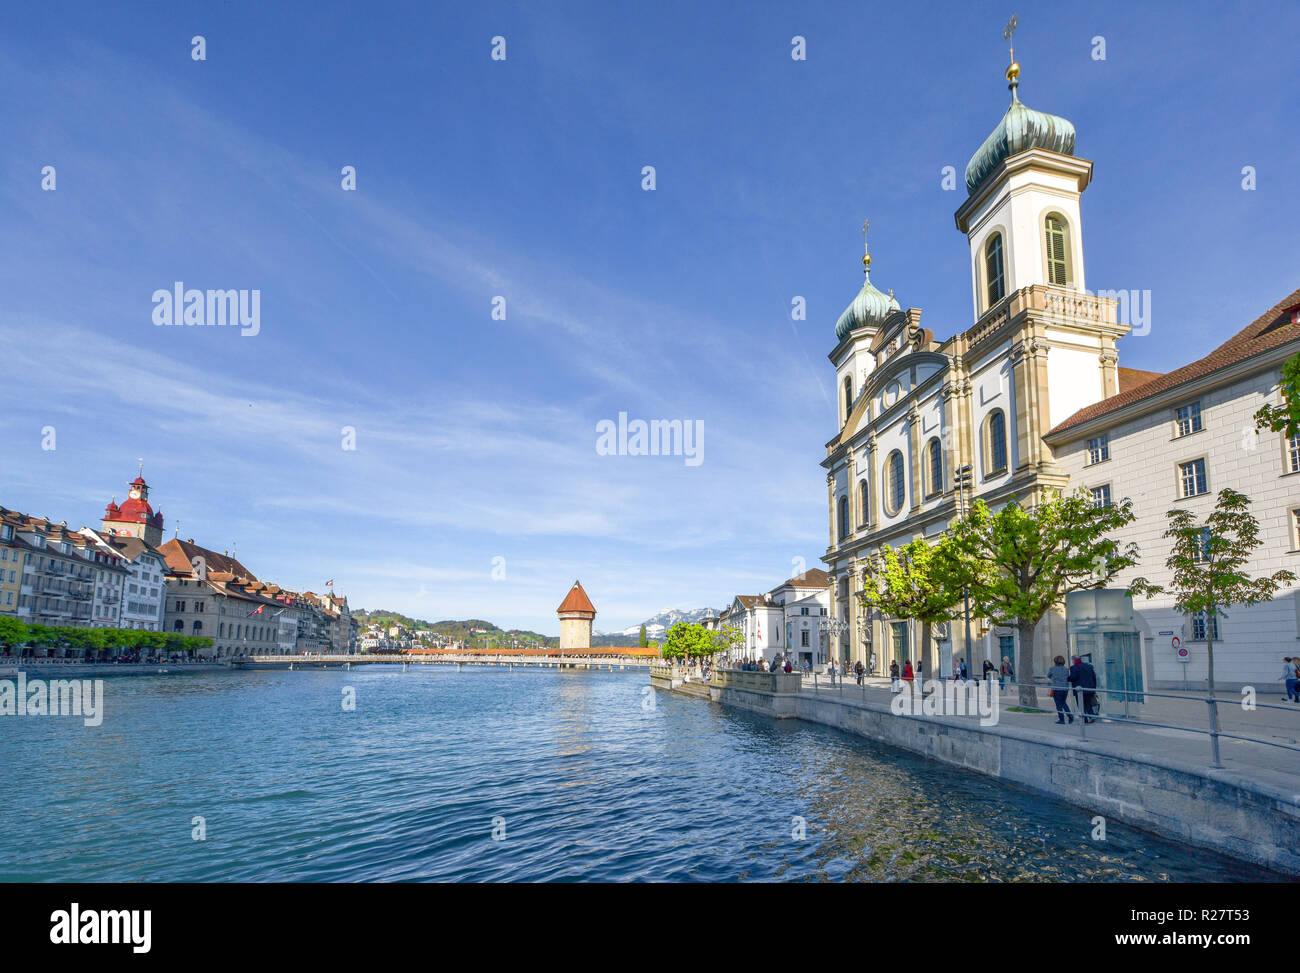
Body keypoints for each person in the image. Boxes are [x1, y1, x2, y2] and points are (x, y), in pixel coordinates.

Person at [1069, 654, 1099, 723]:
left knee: (1080, 704)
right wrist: (1093, 688)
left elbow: (1073, 677)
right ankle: (1091, 716)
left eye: (1072, 660)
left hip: (1079, 690)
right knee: (1088, 703)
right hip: (1089, 689)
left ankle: (1084, 719)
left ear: (1074, 660)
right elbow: (1094, 678)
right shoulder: (1089, 666)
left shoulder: (1074, 667)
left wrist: (1068, 678)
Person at [1047, 655, 1073, 724]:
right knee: (1063, 702)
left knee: (1058, 704)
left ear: (1055, 662)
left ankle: (1062, 719)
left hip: (1057, 688)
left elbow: (1048, 675)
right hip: (1065, 688)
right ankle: (1070, 716)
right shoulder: (1066, 669)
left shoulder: (1052, 668)